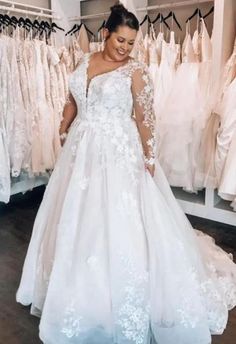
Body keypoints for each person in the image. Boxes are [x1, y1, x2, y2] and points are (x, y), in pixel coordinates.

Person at [16, 3, 236, 344]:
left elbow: (146, 118)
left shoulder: (136, 71)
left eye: (131, 43)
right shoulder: (84, 61)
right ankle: (74, 287)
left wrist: (148, 158)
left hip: (117, 152)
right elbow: (73, 99)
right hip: (80, 151)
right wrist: (63, 129)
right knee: (76, 217)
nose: (125, 48)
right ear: (106, 33)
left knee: (119, 221)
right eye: (120, 40)